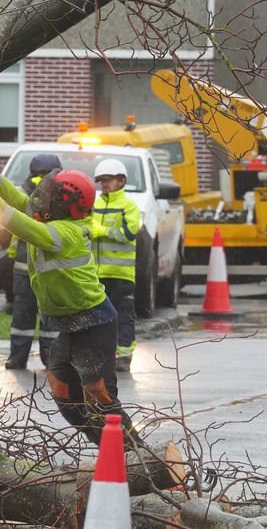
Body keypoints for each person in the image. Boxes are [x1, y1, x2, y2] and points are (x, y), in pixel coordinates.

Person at [0, 161, 138, 445]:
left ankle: (134, 455)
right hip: (72, 323)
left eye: (51, 195)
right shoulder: (50, 218)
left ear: (67, 203)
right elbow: (19, 201)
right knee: (63, 389)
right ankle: (108, 450)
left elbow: (20, 223)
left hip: (94, 322)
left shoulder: (65, 232)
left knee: (99, 397)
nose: (42, 199)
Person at [4, 153, 63, 370]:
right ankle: (32, 359)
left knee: (38, 316)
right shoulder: (32, 196)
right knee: (33, 316)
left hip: (38, 268)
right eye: (41, 176)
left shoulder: (57, 196)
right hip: (33, 268)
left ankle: (37, 359)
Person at [90, 158, 143, 372]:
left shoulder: (129, 206)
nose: (104, 184)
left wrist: (102, 231)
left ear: (121, 181)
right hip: (96, 274)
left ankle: (124, 357)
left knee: (123, 317)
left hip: (121, 274)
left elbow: (129, 233)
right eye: (101, 181)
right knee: (98, 319)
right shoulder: (95, 204)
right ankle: (102, 356)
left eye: (108, 180)